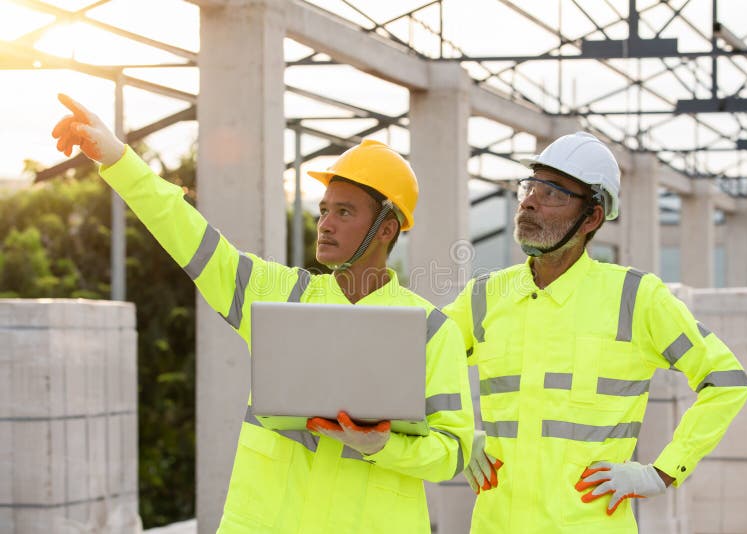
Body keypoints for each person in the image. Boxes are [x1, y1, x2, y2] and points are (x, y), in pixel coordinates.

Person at [52, 93, 474, 533]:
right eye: (324, 210)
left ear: (386, 228)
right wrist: (118, 158)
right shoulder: (281, 296)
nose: (325, 223)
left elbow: (455, 452)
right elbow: (188, 234)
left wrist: (382, 446)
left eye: (344, 212)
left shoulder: (430, 331)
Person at [444, 132, 747, 533]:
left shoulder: (635, 298)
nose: (530, 201)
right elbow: (413, 368)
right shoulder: (484, 296)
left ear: (591, 217)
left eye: (553, 193)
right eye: (529, 187)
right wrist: (459, 435)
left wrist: (663, 472)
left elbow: (726, 381)